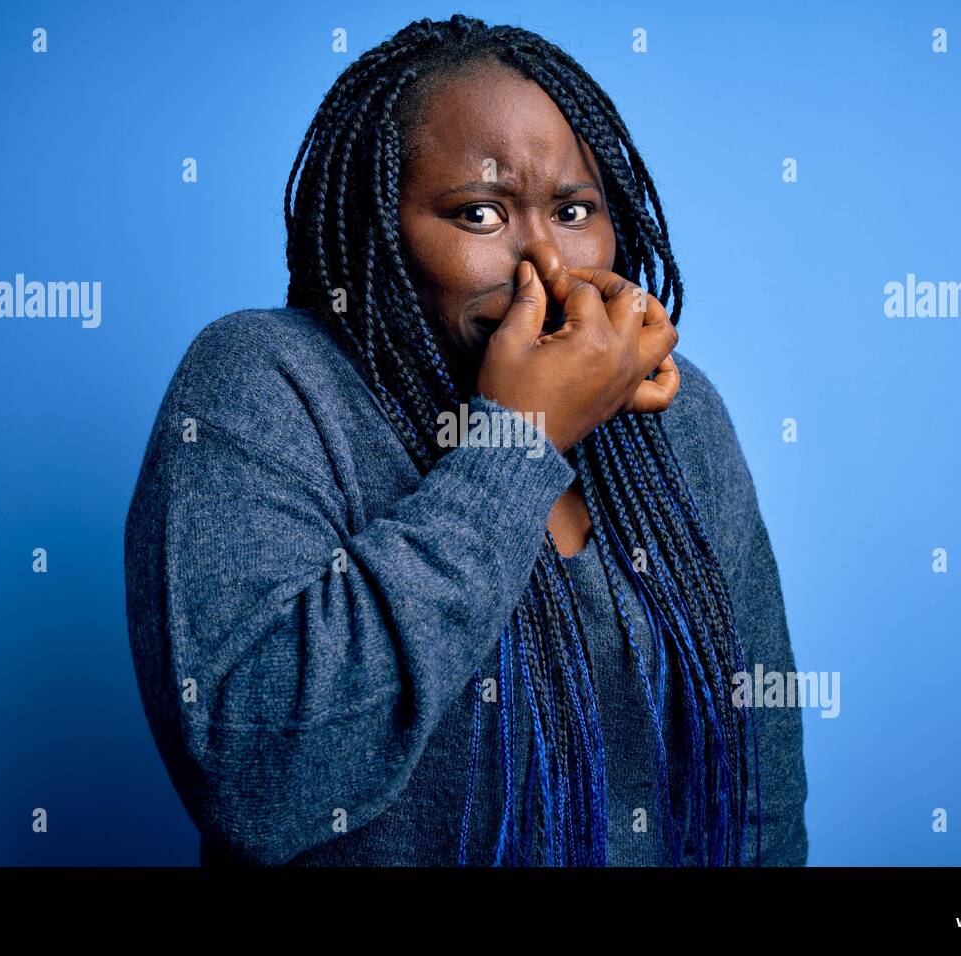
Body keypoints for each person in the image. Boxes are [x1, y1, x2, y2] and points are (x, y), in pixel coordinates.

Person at [123, 13, 808, 867]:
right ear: (380, 226)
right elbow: (256, 777)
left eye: (574, 209)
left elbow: (755, 784)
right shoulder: (263, 381)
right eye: (478, 213)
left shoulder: (678, 415)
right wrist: (520, 443)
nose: (547, 264)